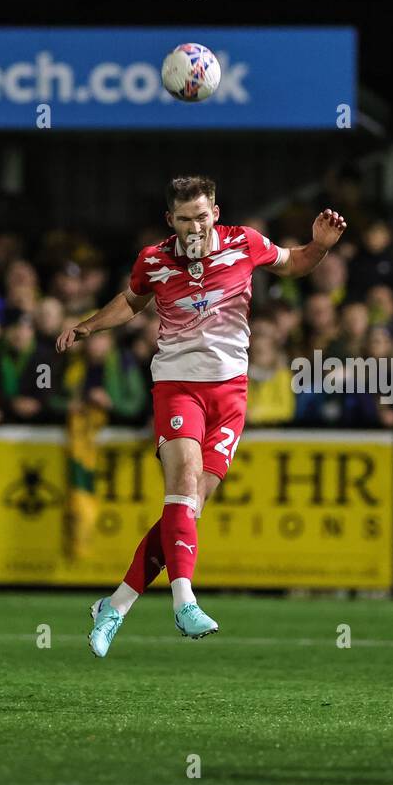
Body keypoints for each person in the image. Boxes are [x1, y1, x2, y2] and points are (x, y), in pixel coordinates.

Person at [57, 175, 346, 656]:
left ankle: (116, 605)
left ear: (216, 212)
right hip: (178, 387)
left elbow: (293, 263)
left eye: (202, 215)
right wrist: (87, 326)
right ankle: (184, 600)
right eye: (185, 218)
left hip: (231, 394)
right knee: (184, 485)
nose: (195, 226)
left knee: (185, 510)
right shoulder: (154, 260)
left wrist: (318, 246)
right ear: (170, 220)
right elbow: (132, 301)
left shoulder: (244, 243)